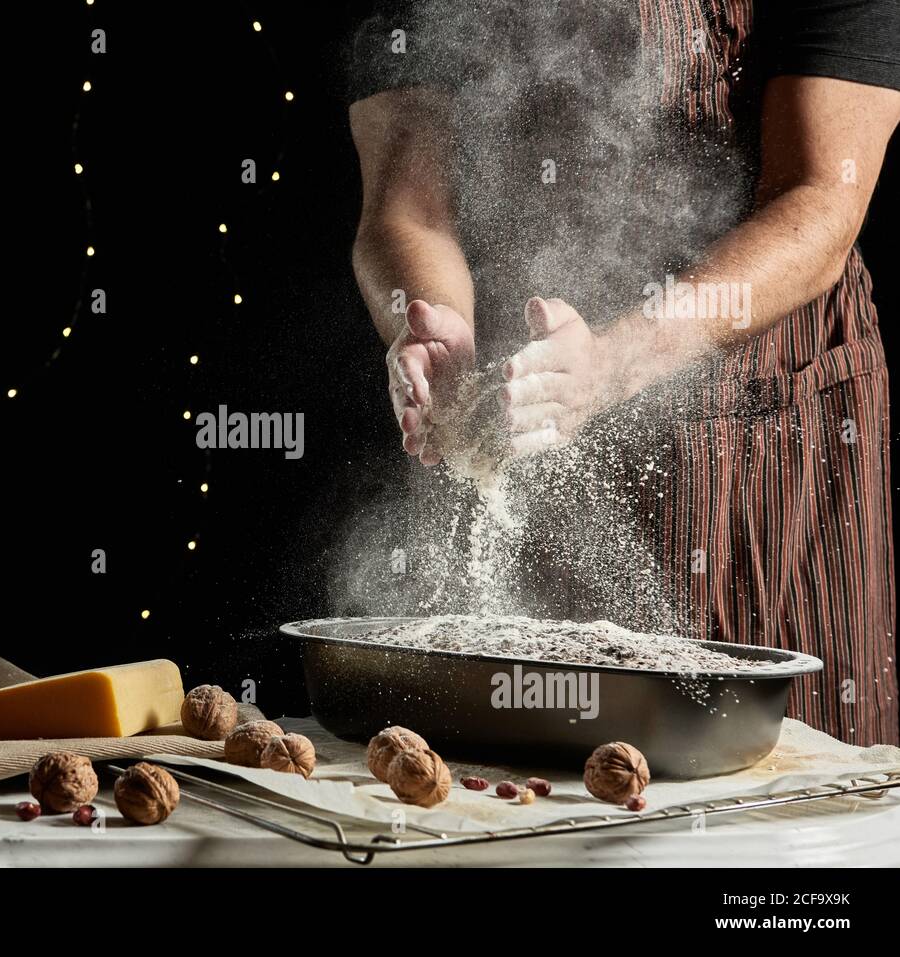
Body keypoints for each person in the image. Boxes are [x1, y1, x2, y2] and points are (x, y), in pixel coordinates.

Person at [349, 0, 900, 745]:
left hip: (773, 447)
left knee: (788, 779)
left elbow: (820, 201)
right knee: (547, 784)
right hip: (528, 412)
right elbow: (407, 209)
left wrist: (610, 362)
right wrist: (434, 326)